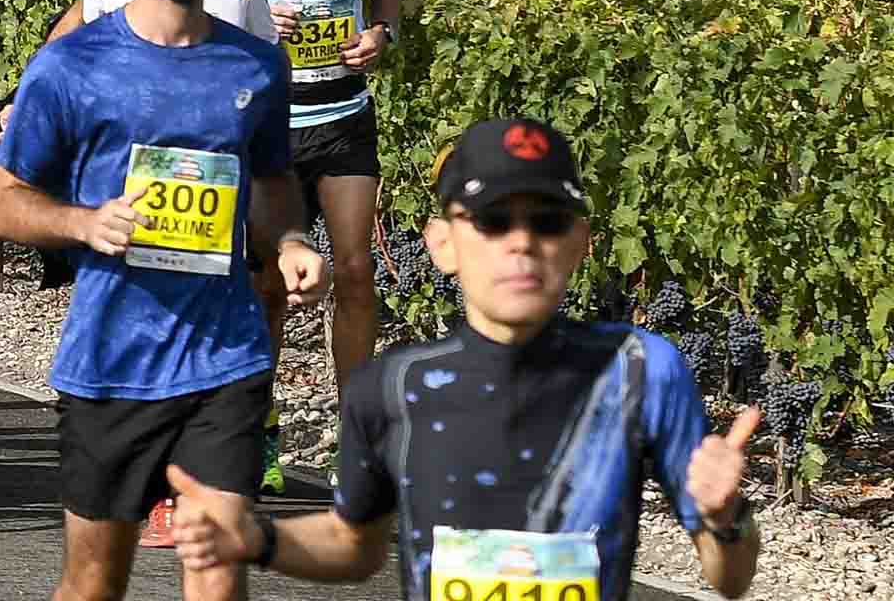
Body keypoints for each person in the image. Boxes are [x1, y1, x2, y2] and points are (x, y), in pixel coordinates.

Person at [169, 117, 764, 601]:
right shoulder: (393, 385)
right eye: (493, 220)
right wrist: (256, 537)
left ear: (580, 244)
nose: (522, 242)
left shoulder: (640, 369)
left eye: (548, 222)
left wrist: (725, 514)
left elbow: (729, 578)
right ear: (442, 244)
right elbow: (356, 546)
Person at [0, 0, 321, 601]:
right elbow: (5, 204)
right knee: (94, 583)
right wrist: (84, 221)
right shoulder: (70, 68)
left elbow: (272, 181)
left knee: (215, 568)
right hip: (112, 361)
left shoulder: (258, 67)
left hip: (225, 357)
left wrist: (293, 240)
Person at [221, 0, 406, 439]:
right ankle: (260, 429)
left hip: (344, 113)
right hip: (271, 123)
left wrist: (381, 34)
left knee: (355, 272)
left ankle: (355, 435)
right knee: (271, 281)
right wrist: (258, 17)